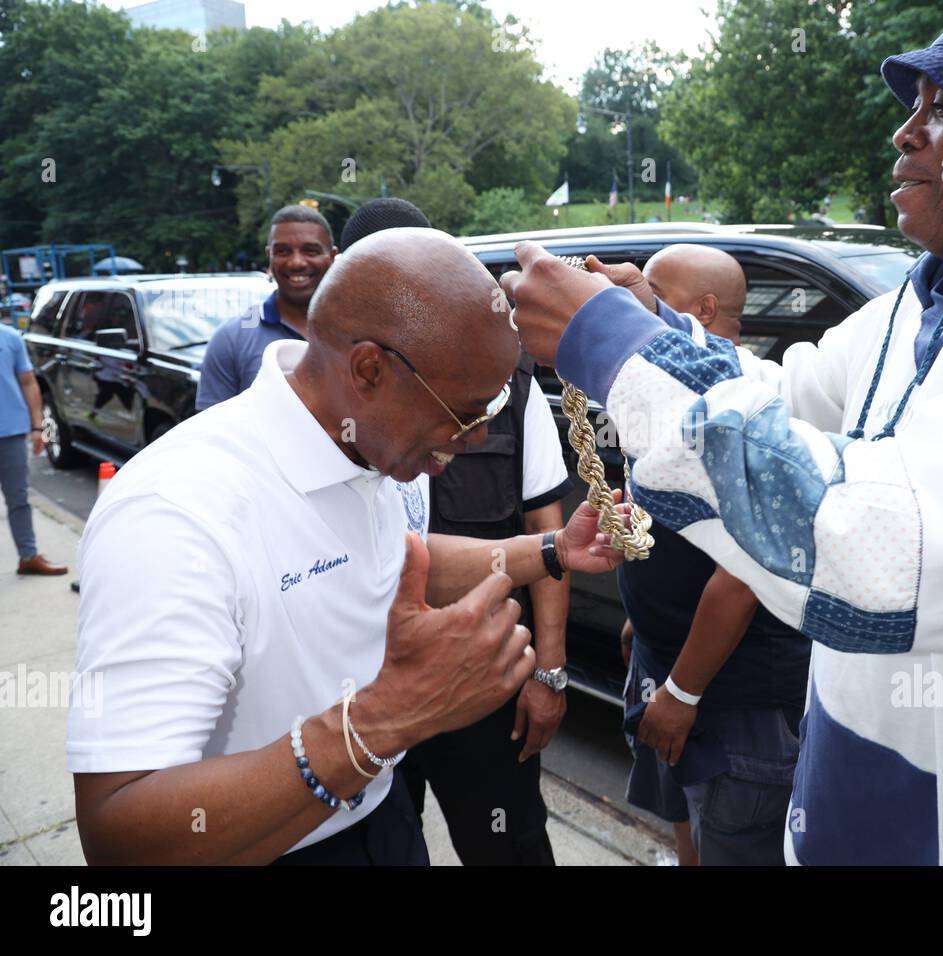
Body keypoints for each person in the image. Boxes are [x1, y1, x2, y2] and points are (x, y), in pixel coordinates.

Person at [503, 0, 943, 865]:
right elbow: (784, 397)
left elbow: (879, 554)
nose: (904, 133)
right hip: (867, 802)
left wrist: (611, 347)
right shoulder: (928, 299)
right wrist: (654, 323)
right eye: (912, 104)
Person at [67, 228, 630, 864]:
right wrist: (388, 719)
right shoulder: (175, 513)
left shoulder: (356, 444)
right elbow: (121, 832)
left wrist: (554, 549)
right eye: (467, 411)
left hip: (378, 818)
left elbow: (396, 563)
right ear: (368, 369)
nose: (476, 437)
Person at [336, 197, 576, 865]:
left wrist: (549, 673)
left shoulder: (507, 380)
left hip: (483, 682)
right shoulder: (325, 396)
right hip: (363, 688)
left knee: (508, 846)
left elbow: (544, 523)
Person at [619, 244, 809, 866]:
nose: (632, 302)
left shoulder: (744, 402)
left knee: (732, 836)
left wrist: (683, 691)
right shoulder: (668, 381)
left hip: (730, 694)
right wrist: (641, 618)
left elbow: (747, 570)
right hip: (666, 663)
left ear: (700, 309)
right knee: (684, 821)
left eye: (652, 290)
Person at [196, 205, 337, 410]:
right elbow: (211, 432)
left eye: (311, 251)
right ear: (269, 256)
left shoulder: (361, 330)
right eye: (283, 252)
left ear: (332, 257)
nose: (296, 262)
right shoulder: (232, 338)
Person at [1, 321, 66, 575]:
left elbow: (28, 382)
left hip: (11, 432)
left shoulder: (10, 337)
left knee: (19, 498)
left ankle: (28, 557)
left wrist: (40, 428)